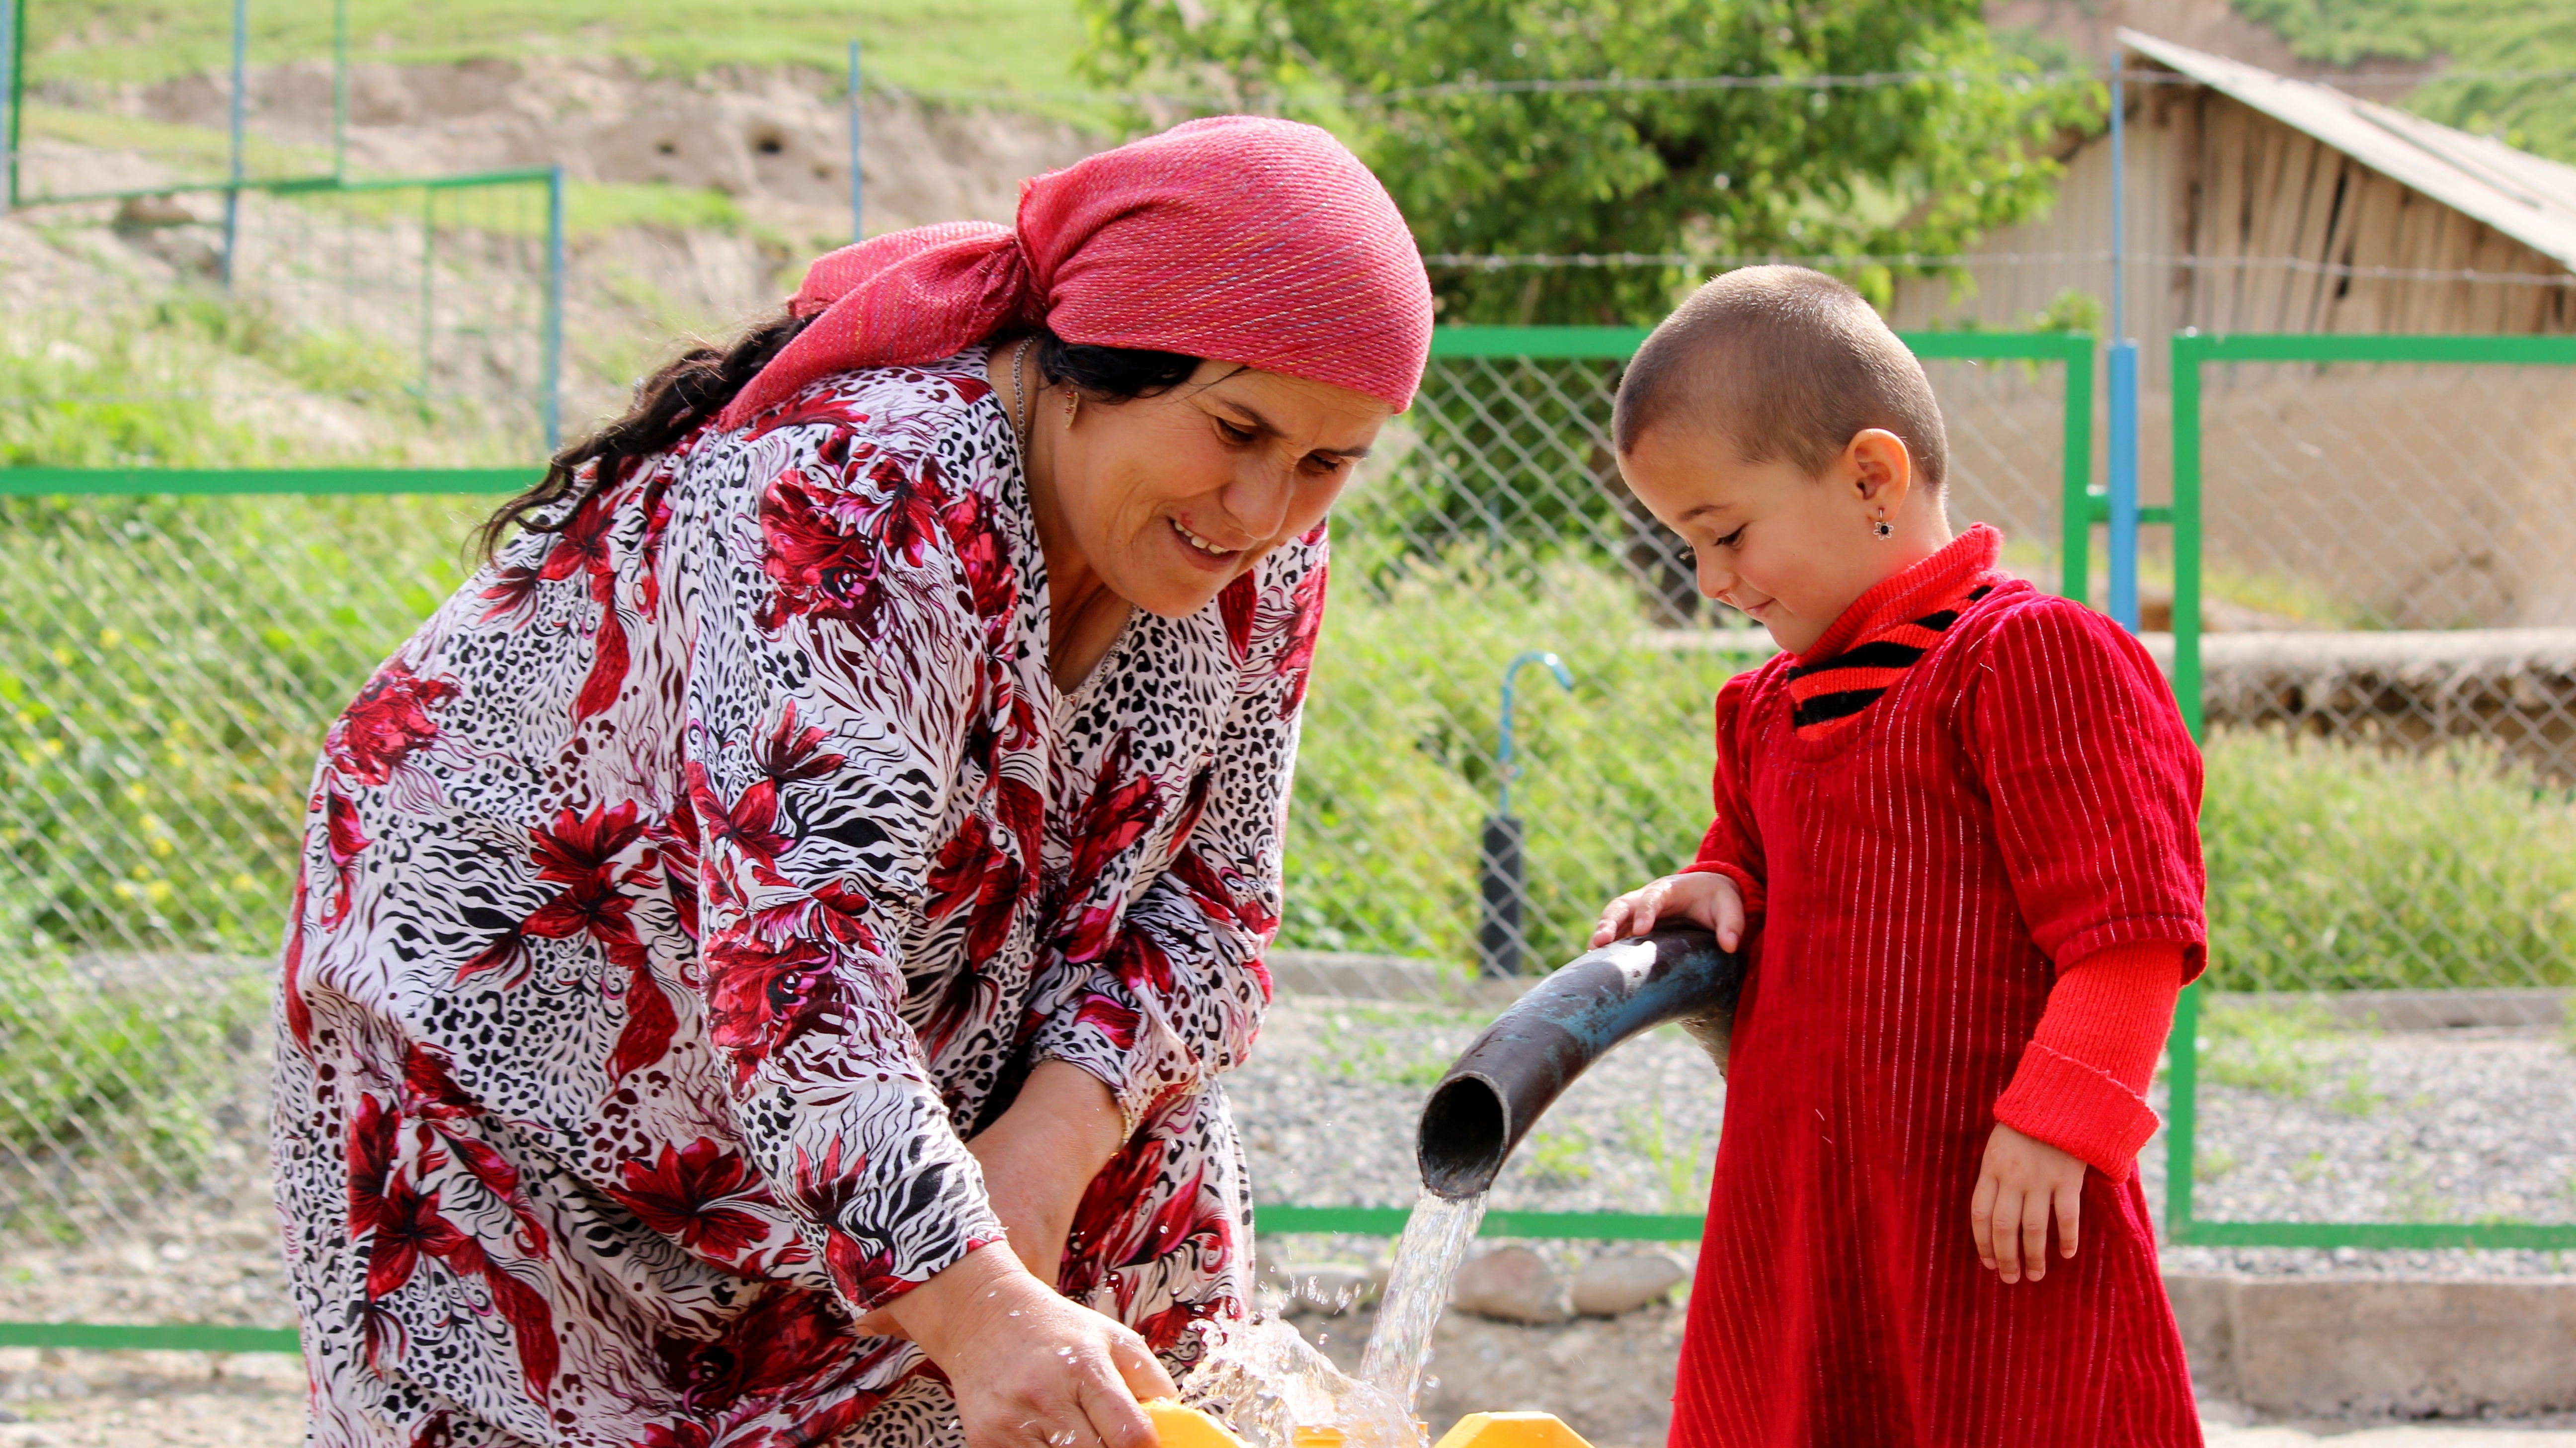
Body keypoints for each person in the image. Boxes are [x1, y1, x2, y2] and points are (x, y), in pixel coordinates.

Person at [271, 116, 1432, 1448]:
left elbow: (1214, 910)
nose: (1262, 508)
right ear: (1092, 367)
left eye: (1327, 463)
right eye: (1235, 430)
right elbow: (800, 964)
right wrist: (979, 1302)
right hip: (526, 1087)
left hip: (878, 1118)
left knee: (1137, 1306)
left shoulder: (1255, 565)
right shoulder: (864, 491)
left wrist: (1047, 1148)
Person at [1590, 267, 2205, 1446]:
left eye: (1726, 533)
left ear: (1872, 476)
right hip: (1809, 1224)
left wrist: (2060, 1121)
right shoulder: (1768, 713)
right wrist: (1716, 884)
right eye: (1689, 547)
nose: (1712, 581)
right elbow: (1749, 862)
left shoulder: (2029, 659)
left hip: (2002, 1215)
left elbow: (2132, 931)